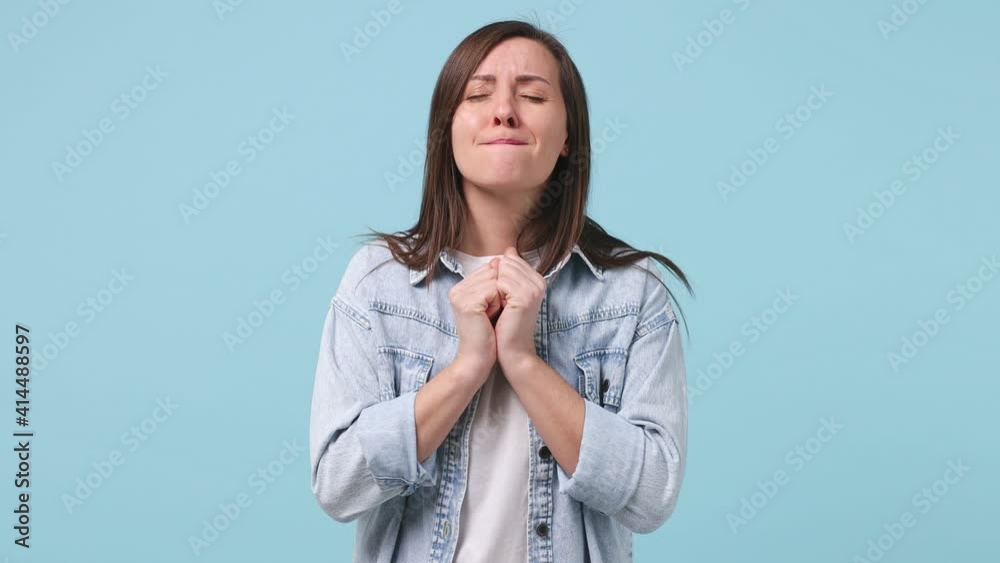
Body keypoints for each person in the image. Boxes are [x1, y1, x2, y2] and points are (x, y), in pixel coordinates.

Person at [309, 19, 692, 563]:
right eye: (478, 94)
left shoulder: (631, 293)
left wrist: (523, 360)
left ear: (567, 140)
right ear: (447, 131)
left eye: (533, 95)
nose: (505, 111)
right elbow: (337, 485)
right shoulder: (379, 282)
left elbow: (652, 497)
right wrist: (467, 368)